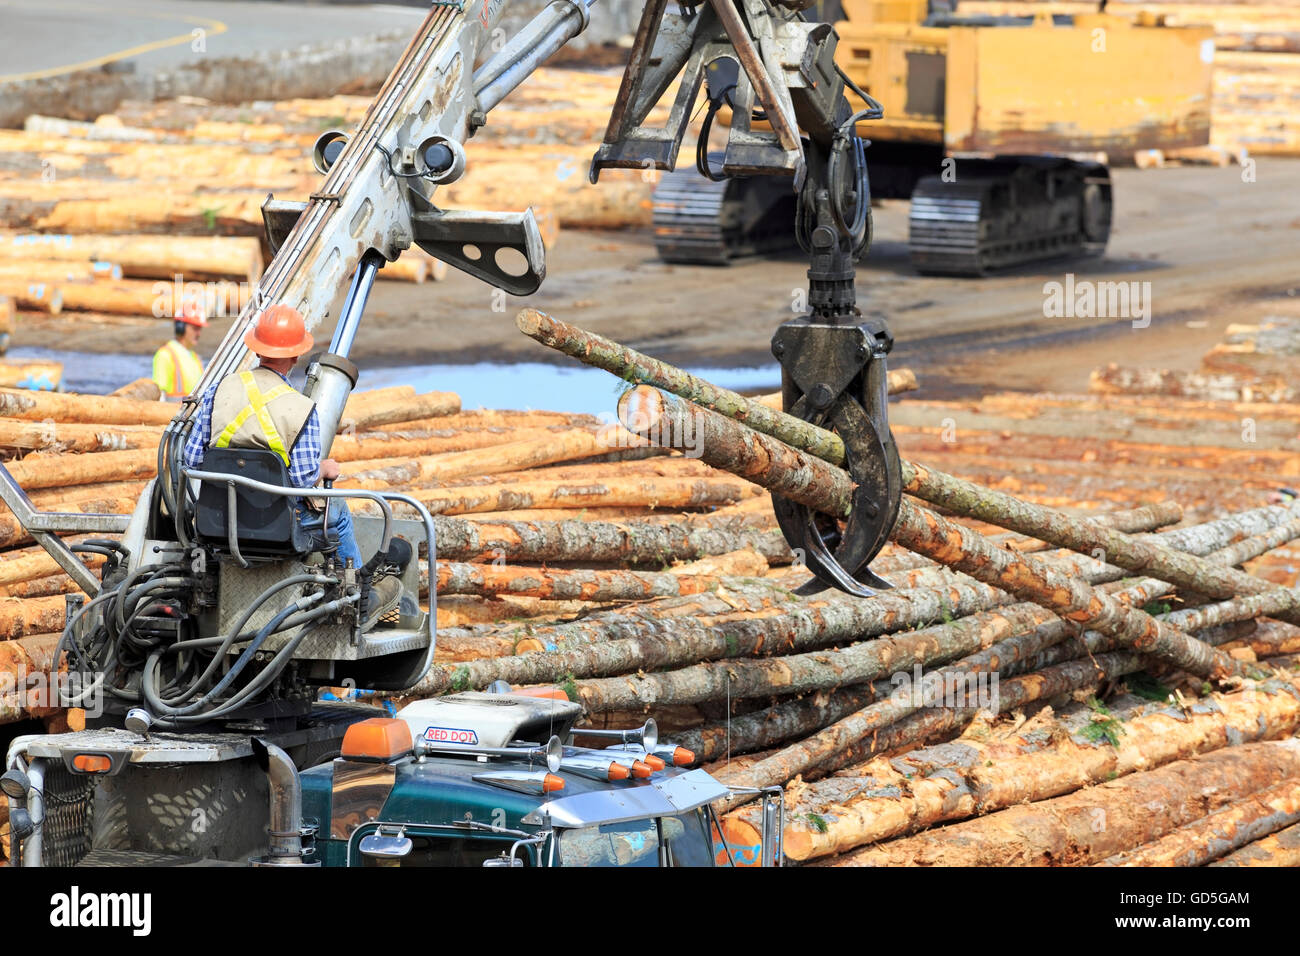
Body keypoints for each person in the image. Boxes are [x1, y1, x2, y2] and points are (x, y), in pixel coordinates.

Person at [182, 304, 408, 625]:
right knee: (338, 514)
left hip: (216, 523)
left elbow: (192, 460)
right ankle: (355, 596)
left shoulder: (218, 390)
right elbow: (302, 482)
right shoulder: (302, 408)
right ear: (296, 356)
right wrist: (325, 469)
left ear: (257, 349)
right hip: (274, 528)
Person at [153, 301, 207, 399]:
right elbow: (159, 394)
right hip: (171, 413)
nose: (198, 333)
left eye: (200, 329)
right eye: (195, 328)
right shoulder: (165, 355)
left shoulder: (196, 358)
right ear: (180, 328)